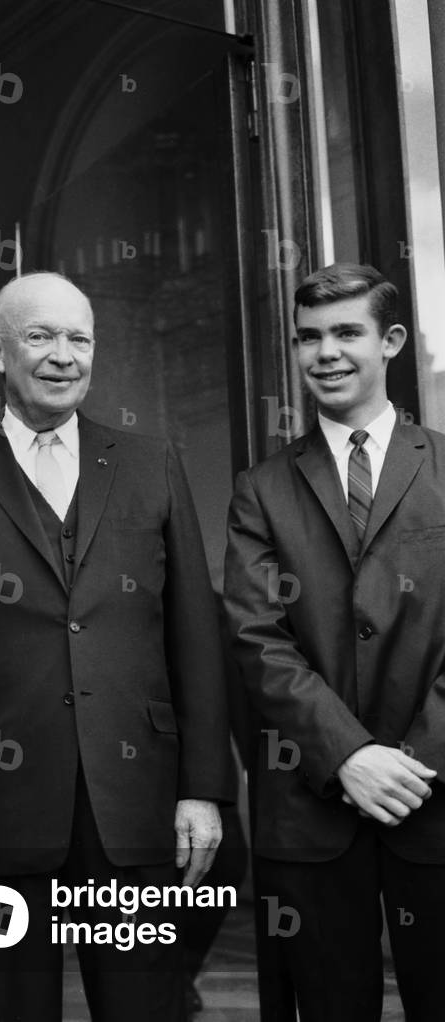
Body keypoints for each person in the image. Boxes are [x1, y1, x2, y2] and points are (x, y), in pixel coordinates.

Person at [0, 271, 233, 1021]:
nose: (63, 355)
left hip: (135, 802)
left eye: (79, 337)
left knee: (146, 1008)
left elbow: (195, 639)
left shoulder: (153, 464)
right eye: (40, 336)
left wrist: (203, 786)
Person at [224, 262, 445, 1022]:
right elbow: (256, 637)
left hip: (437, 797)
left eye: (346, 332)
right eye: (309, 337)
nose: (326, 352)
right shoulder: (260, 489)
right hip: (312, 804)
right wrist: (348, 754)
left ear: (390, 341)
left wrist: (411, 763)